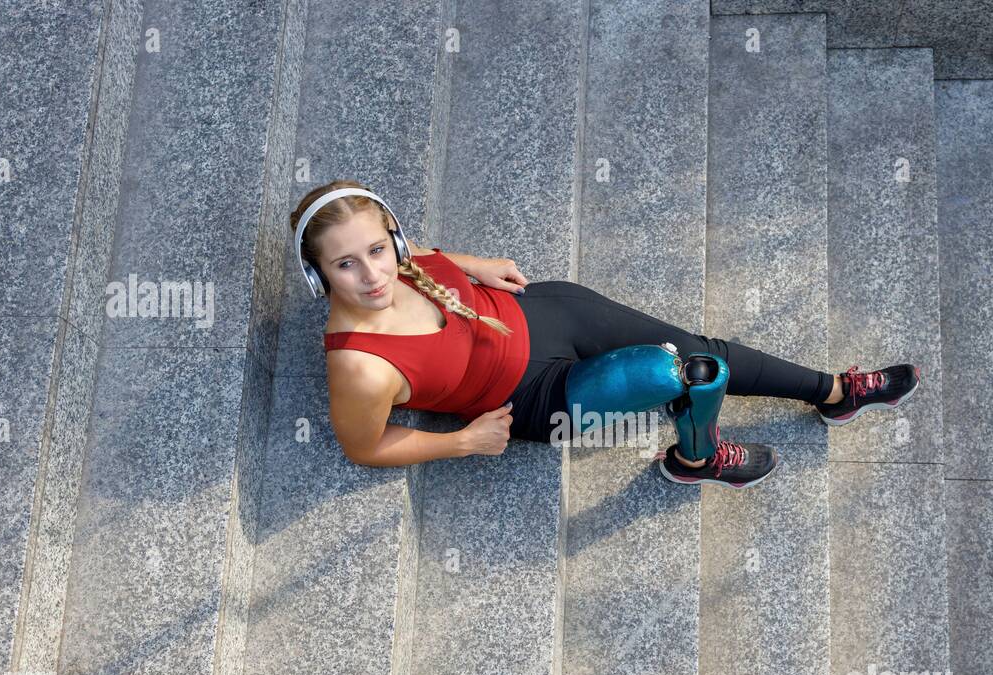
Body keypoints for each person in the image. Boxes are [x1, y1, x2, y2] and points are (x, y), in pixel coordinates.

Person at [291, 180, 920, 487]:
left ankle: (835, 392)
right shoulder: (360, 365)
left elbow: (424, 253)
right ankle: (695, 460)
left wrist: (475, 266)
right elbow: (365, 446)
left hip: (546, 312)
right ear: (319, 277)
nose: (373, 274)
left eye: (379, 249)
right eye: (345, 264)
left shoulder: (400, 258)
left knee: (707, 352)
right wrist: (462, 443)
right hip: (534, 396)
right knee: (684, 376)